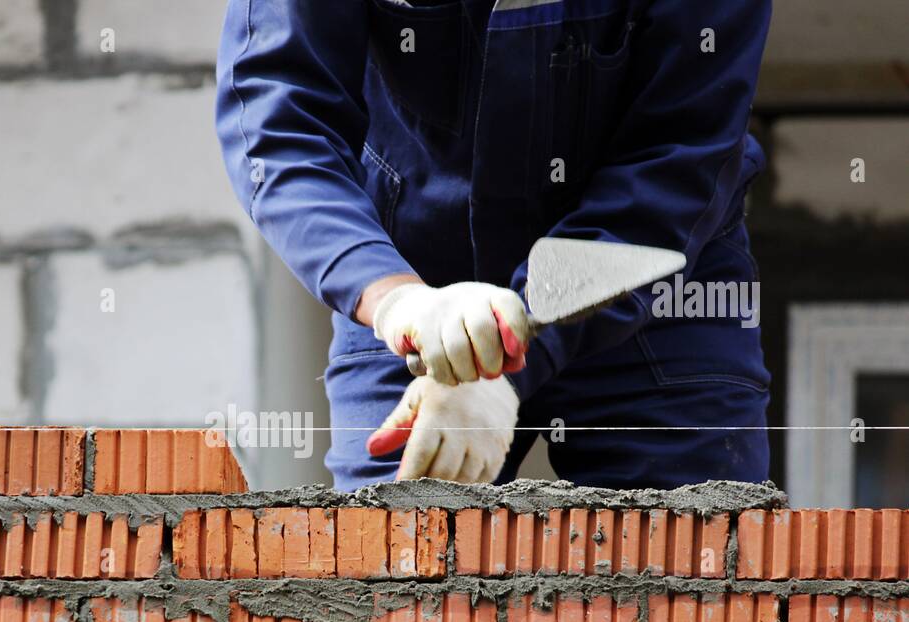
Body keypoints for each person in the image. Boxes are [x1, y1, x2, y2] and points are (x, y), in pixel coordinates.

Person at [215, 0, 773, 491]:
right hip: (418, 286)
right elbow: (281, 119)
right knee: (398, 570)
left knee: (685, 575)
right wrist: (393, 299)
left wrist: (506, 348)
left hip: (649, 291)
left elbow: (678, 157)